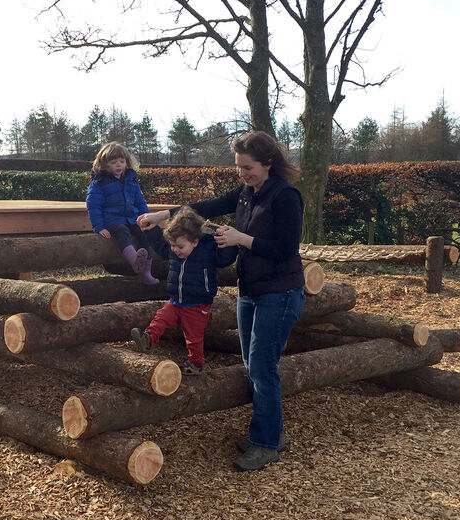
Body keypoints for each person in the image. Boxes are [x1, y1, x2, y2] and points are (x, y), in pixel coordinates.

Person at [138, 131, 305, 471]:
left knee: (261, 365)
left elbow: (286, 249)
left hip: (281, 291)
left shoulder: (286, 196)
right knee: (251, 362)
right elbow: (204, 208)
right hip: (251, 290)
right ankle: (269, 431)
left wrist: (241, 238)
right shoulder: (247, 193)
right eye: (239, 167)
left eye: (248, 167)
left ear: (268, 164)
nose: (242, 173)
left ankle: (267, 442)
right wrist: (160, 216)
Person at [130, 206, 238, 375]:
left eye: (180, 246)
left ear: (195, 241)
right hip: (176, 301)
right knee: (161, 317)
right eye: (173, 245)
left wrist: (230, 242)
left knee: (193, 336)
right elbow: (159, 244)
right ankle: (148, 339)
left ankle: (195, 364)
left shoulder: (207, 251)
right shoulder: (174, 250)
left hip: (197, 305)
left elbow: (226, 259)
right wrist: (150, 230)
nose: (175, 250)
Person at [86, 141, 158, 285]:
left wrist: (146, 217)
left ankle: (145, 273)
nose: (119, 165)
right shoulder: (100, 182)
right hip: (112, 220)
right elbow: (93, 206)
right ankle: (134, 260)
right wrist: (99, 226)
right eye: (114, 162)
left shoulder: (131, 180)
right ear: (105, 164)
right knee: (122, 231)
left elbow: (140, 201)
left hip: (132, 218)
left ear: (127, 162)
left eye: (122, 161)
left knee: (144, 236)